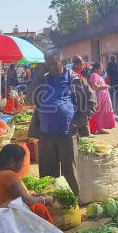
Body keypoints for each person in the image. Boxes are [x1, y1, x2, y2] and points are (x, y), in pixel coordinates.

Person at [30, 49, 97, 197]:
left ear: (63, 62)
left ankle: (73, 204)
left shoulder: (76, 80)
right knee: (47, 175)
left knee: (69, 173)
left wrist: (79, 122)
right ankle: (50, 205)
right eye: (48, 65)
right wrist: (38, 77)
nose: (51, 68)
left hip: (68, 135)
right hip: (46, 135)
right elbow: (31, 99)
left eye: (54, 64)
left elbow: (92, 103)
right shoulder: (43, 79)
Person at [0, 144, 55, 223]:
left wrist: (31, 194)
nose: (23, 165)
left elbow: (17, 196)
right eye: (22, 161)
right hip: (5, 219)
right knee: (39, 208)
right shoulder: (8, 175)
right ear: (12, 162)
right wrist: (45, 199)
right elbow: (26, 201)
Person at [88, 62, 116, 135]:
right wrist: (103, 87)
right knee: (99, 112)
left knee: (102, 112)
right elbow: (94, 85)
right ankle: (99, 128)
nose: (102, 70)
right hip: (99, 96)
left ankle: (100, 128)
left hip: (103, 96)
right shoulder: (94, 75)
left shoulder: (97, 75)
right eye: (101, 68)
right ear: (96, 69)